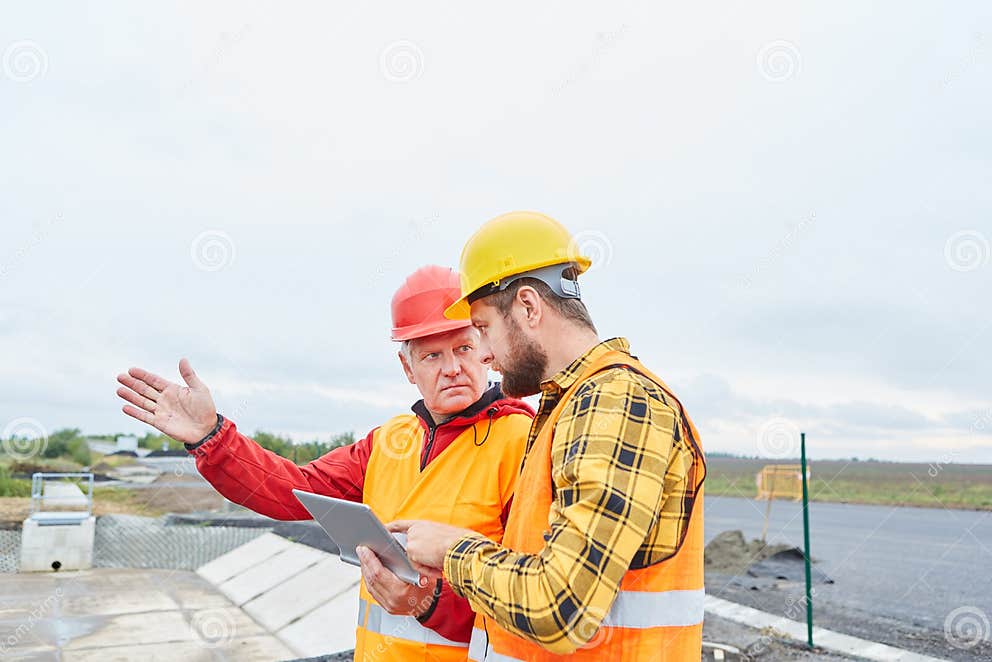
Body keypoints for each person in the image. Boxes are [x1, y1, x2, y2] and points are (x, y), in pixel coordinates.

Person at [115, 265, 534, 661]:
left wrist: (427, 602)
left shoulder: (521, 442)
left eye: (463, 348)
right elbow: (292, 491)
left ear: (485, 349)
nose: (453, 369)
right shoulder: (389, 442)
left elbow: (534, 597)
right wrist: (212, 438)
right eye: (432, 356)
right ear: (407, 367)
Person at [391, 212, 707, 660]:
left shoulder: (615, 402)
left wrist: (453, 550)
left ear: (527, 307)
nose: (481, 353)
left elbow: (559, 608)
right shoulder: (570, 405)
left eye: (482, 329)